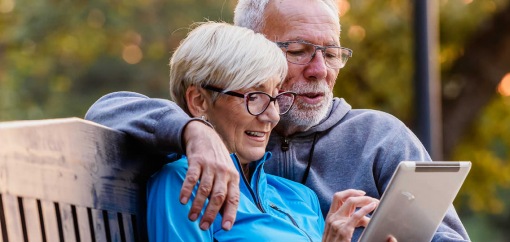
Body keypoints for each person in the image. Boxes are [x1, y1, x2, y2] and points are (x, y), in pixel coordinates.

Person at [85, 0, 470, 240]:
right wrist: (194, 132)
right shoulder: (220, 131)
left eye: (332, 53)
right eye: (300, 51)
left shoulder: (379, 138)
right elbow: (109, 109)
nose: (320, 70)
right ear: (251, 47)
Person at [148, 21, 379, 241]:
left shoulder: (300, 197)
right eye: (254, 97)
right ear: (199, 101)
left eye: (275, 98)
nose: (273, 116)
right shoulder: (183, 181)